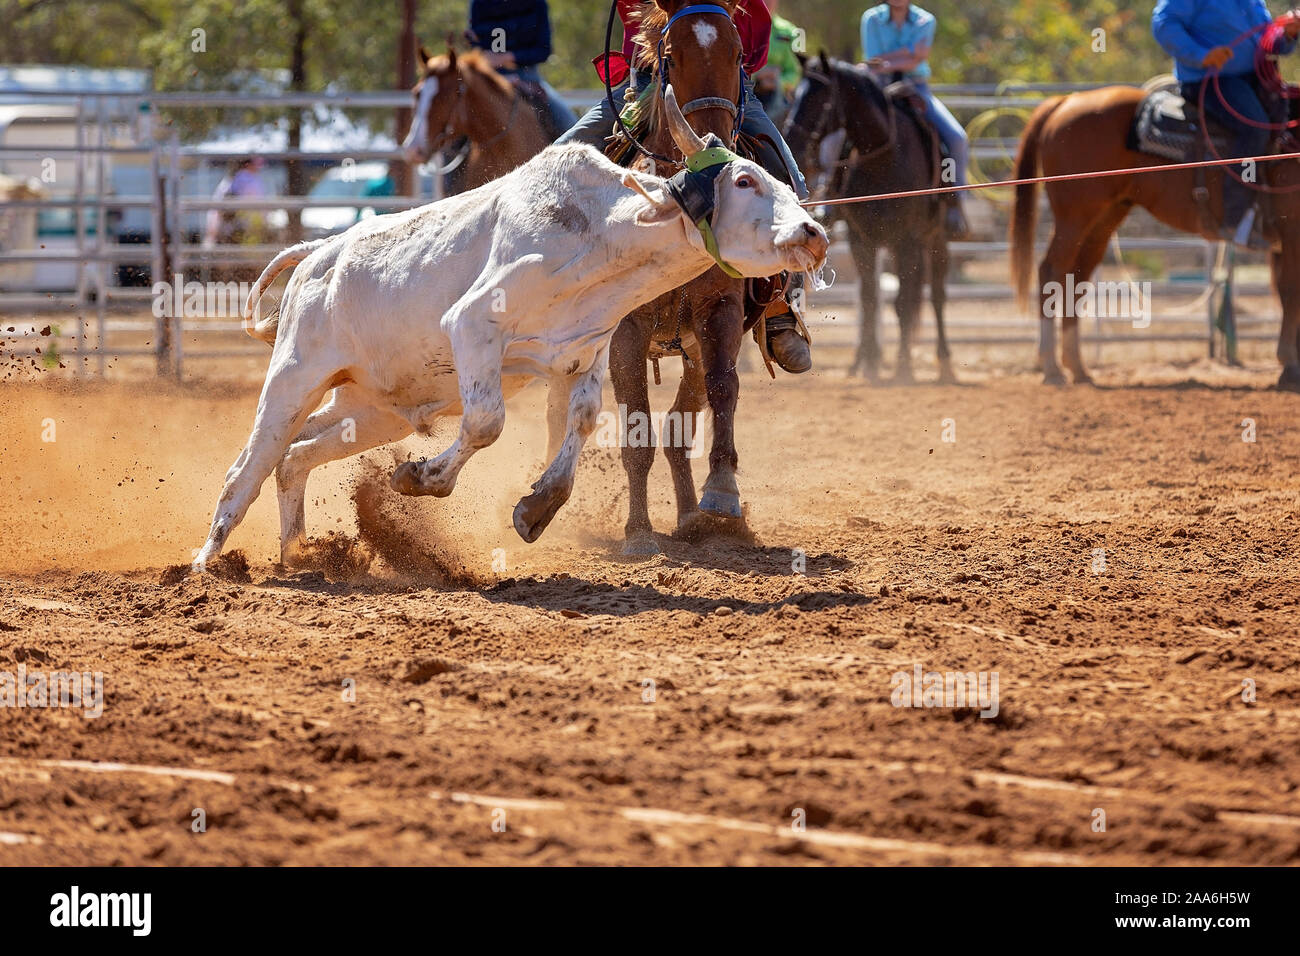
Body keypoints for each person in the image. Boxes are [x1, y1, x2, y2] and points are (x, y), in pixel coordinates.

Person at [557, 0, 812, 374]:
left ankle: (780, 309)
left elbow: (753, 19)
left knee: (791, 181)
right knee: (560, 162)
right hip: (651, 76)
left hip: (727, 78)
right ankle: (559, 300)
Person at [1153, 0, 1299, 250]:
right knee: (1255, 128)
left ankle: (1277, 205)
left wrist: (1286, 33)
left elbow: (1265, 39)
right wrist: (1202, 55)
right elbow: (1164, 24)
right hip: (1210, 79)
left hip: (1252, 79)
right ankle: (1237, 217)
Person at [862, 0, 970, 236]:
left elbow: (915, 60)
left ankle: (955, 202)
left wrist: (893, 59)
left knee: (956, 138)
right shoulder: (871, 18)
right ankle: (829, 198)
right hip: (880, 89)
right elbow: (874, 62)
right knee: (842, 133)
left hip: (916, 89)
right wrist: (908, 52)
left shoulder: (925, 20)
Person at [467, 0, 576, 138]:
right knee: (454, 121)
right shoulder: (479, 3)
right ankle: (450, 158)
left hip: (527, 75)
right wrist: (484, 59)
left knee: (569, 125)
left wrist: (507, 57)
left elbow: (544, 49)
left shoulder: (537, 4)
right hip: (486, 75)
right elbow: (472, 40)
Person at [755, 0, 802, 125]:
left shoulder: (791, 31)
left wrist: (778, 81)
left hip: (781, 101)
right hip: (748, 96)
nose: (767, 1)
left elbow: (797, 72)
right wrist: (758, 76)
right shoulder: (743, 28)